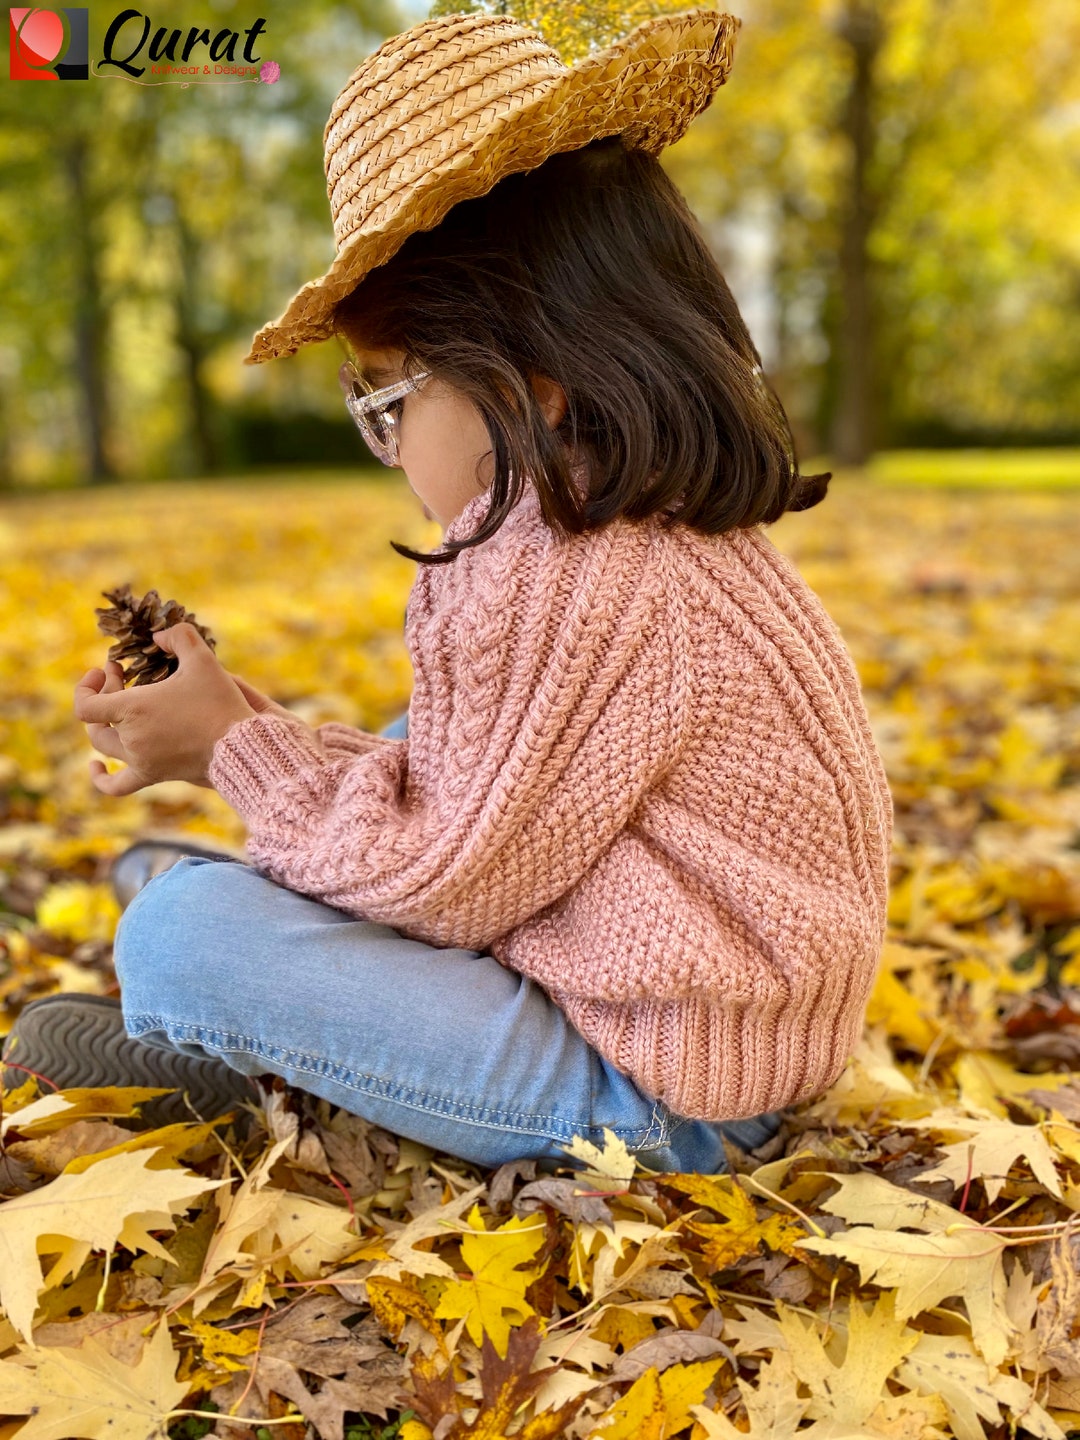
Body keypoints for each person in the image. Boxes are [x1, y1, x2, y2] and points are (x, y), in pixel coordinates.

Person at [4, 9, 893, 1173]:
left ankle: (268, 1050)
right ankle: (282, 988)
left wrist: (236, 752)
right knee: (399, 747)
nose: (383, 444)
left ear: (532, 375)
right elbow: (466, 797)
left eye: (386, 398)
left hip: (665, 1095)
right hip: (693, 1017)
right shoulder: (622, 526)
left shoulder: (565, 569)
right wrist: (247, 732)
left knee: (178, 934)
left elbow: (444, 877)